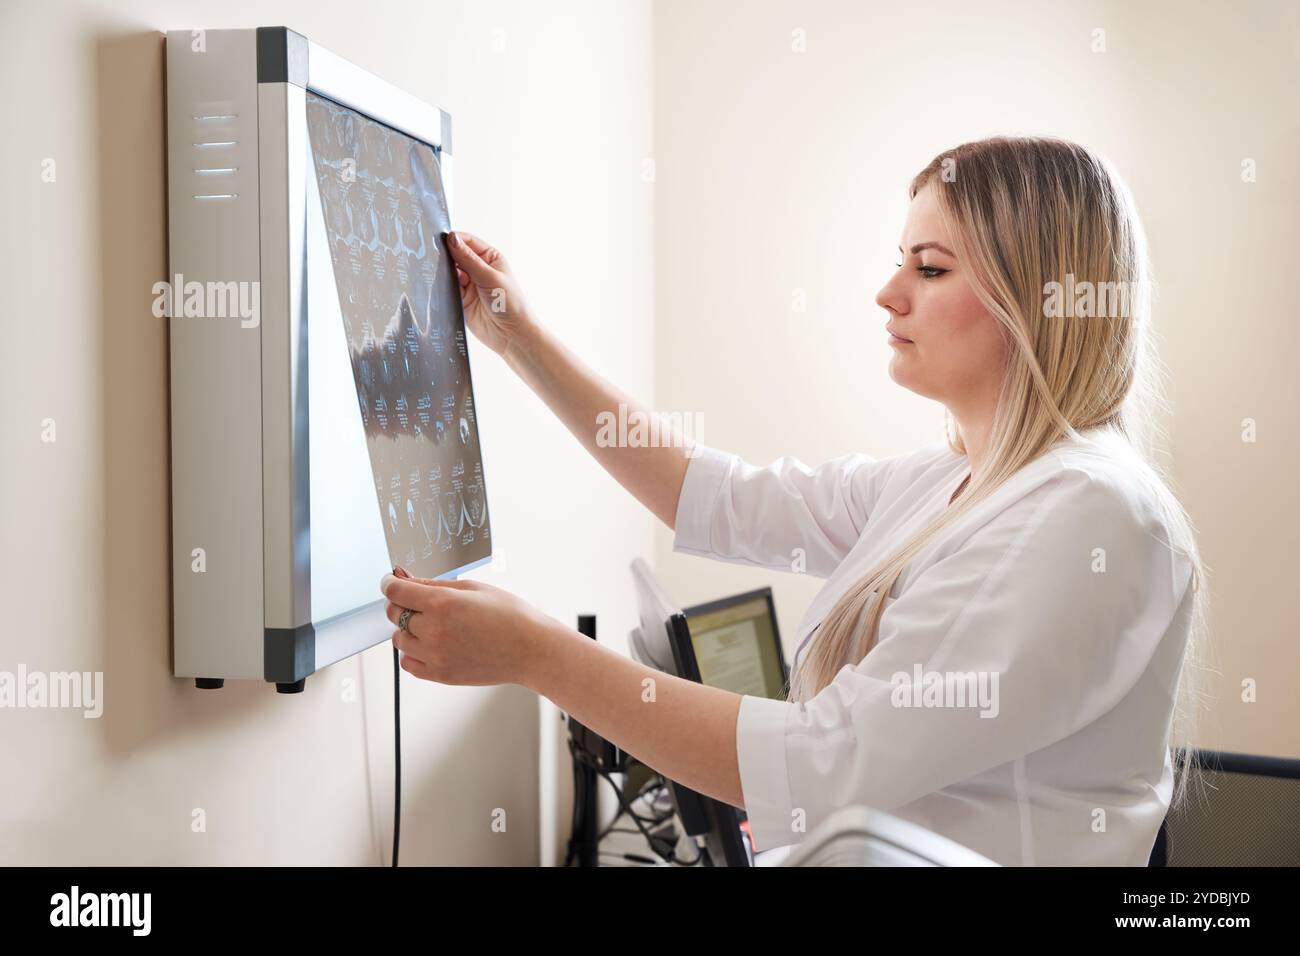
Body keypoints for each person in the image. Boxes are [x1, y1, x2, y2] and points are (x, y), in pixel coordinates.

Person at [379, 136, 1207, 866]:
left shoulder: (1086, 513)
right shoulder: (948, 483)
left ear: (1040, 296)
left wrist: (539, 657)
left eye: (929, 268)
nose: (889, 293)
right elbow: (716, 496)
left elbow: (823, 764)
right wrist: (517, 334)